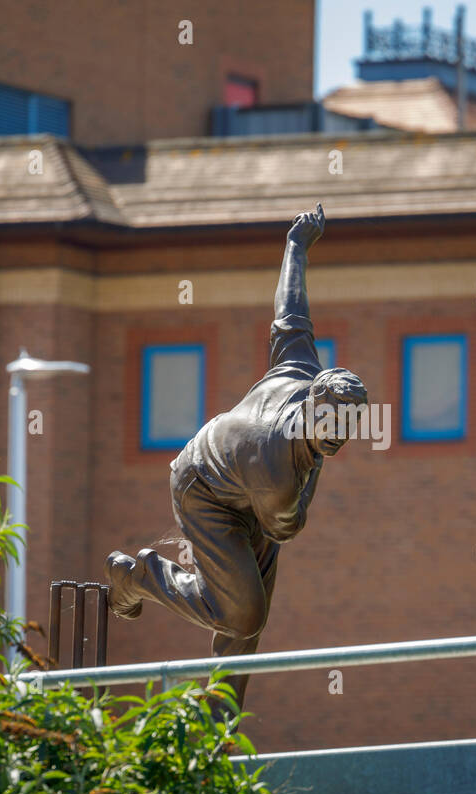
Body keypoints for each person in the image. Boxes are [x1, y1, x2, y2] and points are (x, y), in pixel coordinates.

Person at [106, 203, 368, 721]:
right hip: (203, 489)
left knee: (249, 618)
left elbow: (290, 312)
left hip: (240, 483)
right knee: (244, 611)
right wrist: (313, 463)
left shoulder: (300, 371)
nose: (338, 440)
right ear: (312, 410)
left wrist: (295, 246)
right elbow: (288, 526)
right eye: (330, 427)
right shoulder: (282, 478)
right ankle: (140, 576)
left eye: (349, 428)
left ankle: (218, 723)